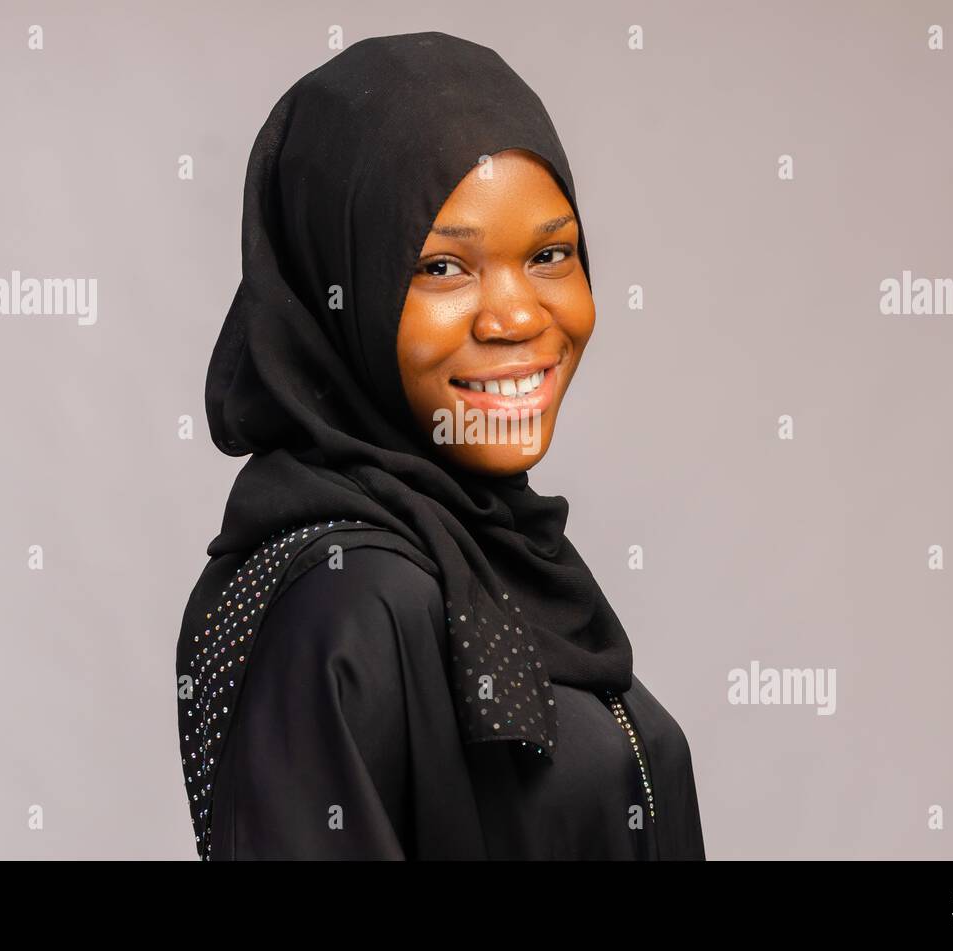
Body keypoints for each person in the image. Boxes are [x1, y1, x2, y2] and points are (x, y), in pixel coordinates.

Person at [175, 30, 706, 860]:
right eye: (444, 268)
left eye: (550, 255)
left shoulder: (494, 562)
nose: (518, 316)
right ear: (336, 288)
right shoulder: (345, 604)